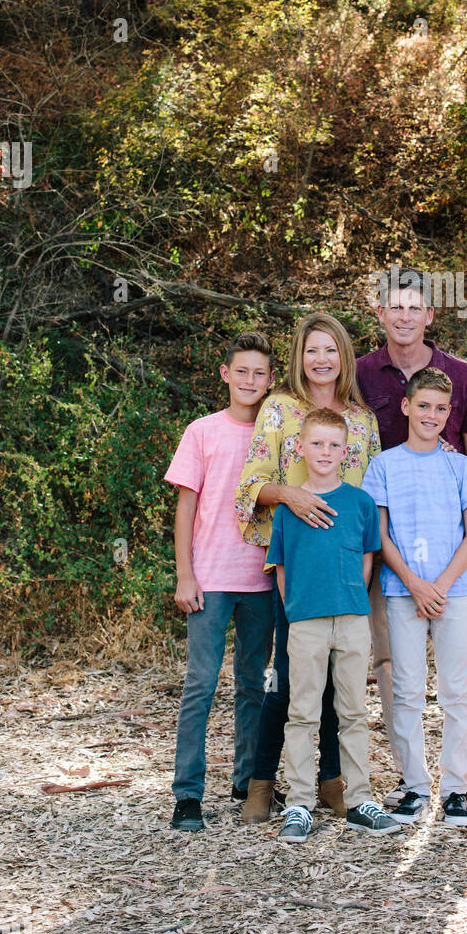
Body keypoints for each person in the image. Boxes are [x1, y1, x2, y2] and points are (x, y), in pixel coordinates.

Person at [356, 270, 467, 811]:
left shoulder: (461, 377)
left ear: (429, 315)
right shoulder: (360, 376)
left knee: (466, 670)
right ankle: (412, 782)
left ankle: (465, 780)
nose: (403, 316)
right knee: (395, 672)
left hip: (455, 555)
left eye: (413, 307)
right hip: (392, 557)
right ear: (378, 314)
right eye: (392, 306)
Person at [235, 313, 380, 822]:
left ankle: (334, 784)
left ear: (345, 356)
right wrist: (291, 496)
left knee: (341, 690)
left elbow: (372, 496)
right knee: (289, 681)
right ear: (299, 357)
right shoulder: (279, 411)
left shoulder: (361, 421)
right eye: (311, 350)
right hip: (293, 570)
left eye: (331, 350)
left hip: (347, 574)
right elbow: (249, 487)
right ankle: (261, 782)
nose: (321, 360)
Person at [362, 368, 467, 826]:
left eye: (440, 408)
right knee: (408, 691)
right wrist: (415, 584)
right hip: (401, 592)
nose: (431, 415)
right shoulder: (384, 466)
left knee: (457, 693)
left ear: (448, 412)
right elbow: (378, 533)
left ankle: (454, 789)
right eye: (423, 406)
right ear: (406, 407)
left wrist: (440, 584)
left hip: (454, 592)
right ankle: (415, 786)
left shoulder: (459, 466)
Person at [271, 409, 401, 841]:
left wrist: (351, 600)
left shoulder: (359, 502)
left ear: (346, 452)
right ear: (301, 448)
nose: (324, 452)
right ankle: (300, 804)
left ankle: (360, 798)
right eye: (316, 444)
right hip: (305, 621)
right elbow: (282, 565)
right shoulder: (289, 507)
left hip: (351, 620)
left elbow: (368, 558)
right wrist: (295, 611)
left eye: (333, 445)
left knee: (354, 712)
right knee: (302, 712)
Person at [167, 332, 277, 832]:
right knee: (202, 684)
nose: (250, 381)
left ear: (271, 380)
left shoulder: (276, 434)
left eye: (260, 373)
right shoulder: (202, 432)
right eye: (242, 371)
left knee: (253, 684)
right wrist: (185, 574)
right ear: (225, 374)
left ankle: (245, 781)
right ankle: (188, 794)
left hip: (260, 580)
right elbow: (186, 505)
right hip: (210, 579)